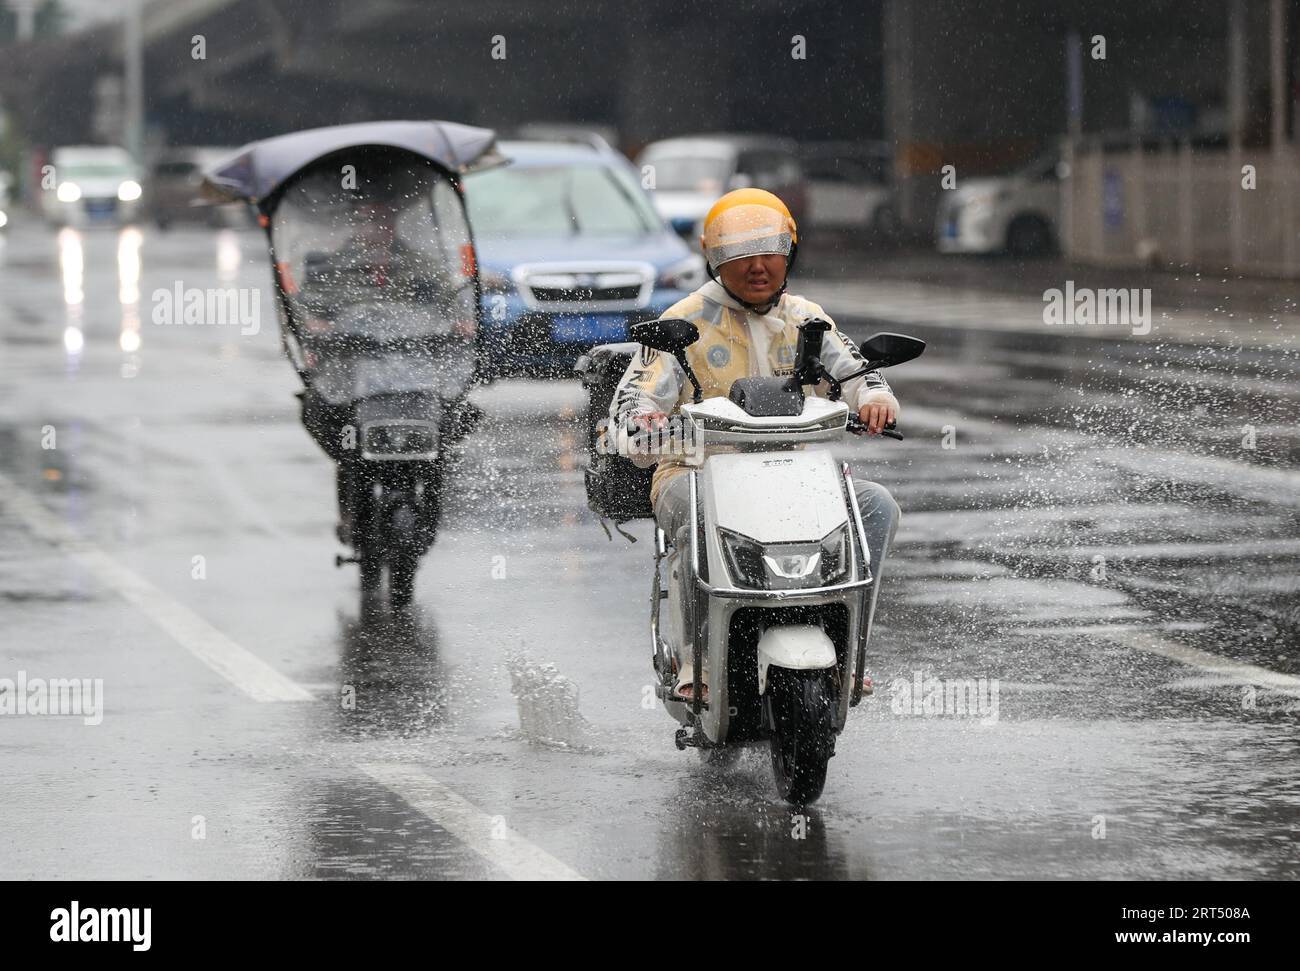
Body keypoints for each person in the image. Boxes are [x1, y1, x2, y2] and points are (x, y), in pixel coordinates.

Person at [610, 188, 901, 700]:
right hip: (696, 473)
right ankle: (696, 664)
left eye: (769, 251)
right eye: (738, 254)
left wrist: (875, 398)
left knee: (876, 506)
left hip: (797, 474)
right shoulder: (681, 321)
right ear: (715, 260)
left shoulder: (808, 319)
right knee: (696, 518)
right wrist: (647, 423)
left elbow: (857, 373)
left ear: (790, 253)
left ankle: (850, 652)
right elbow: (631, 406)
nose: (757, 265)